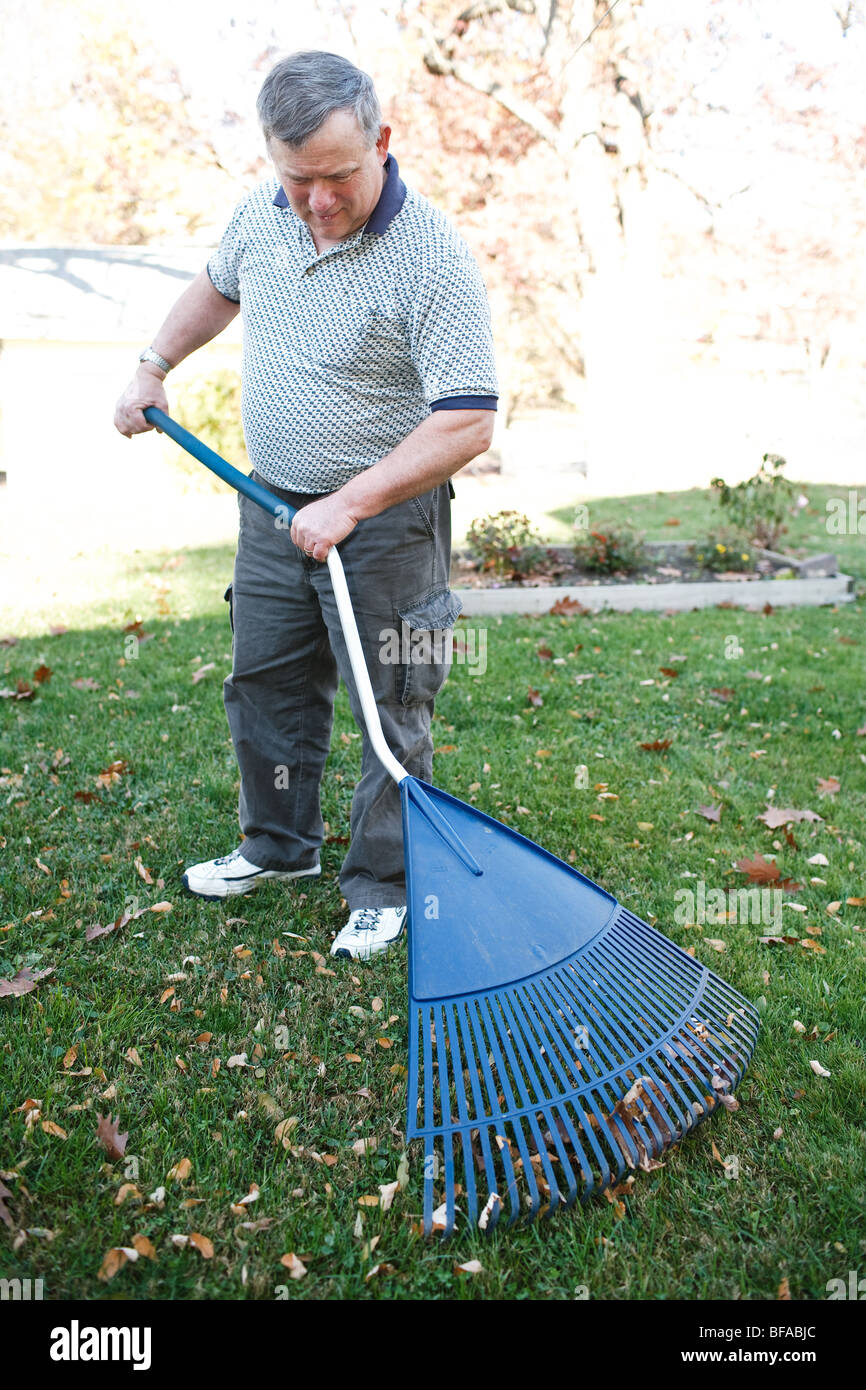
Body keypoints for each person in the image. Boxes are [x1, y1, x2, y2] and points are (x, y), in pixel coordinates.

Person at [114, 50, 498, 961]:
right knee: (268, 683)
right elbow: (217, 287)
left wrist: (350, 503)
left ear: (382, 143)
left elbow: (469, 420)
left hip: (384, 523)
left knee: (391, 705)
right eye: (298, 180)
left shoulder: (430, 254)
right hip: (268, 507)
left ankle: (383, 883)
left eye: (337, 177)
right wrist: (153, 366)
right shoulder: (261, 216)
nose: (318, 202)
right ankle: (279, 847)